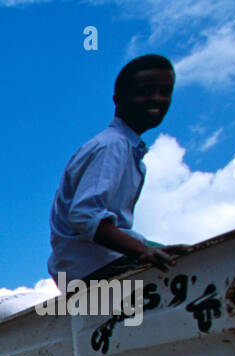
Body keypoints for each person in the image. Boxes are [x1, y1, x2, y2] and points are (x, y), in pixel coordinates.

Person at [48, 54, 187, 281]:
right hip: (95, 271)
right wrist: (143, 251)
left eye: (165, 92)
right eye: (145, 91)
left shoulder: (128, 149)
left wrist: (147, 247)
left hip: (96, 265)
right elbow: (85, 215)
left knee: (182, 254)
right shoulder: (112, 145)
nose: (157, 98)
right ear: (118, 99)